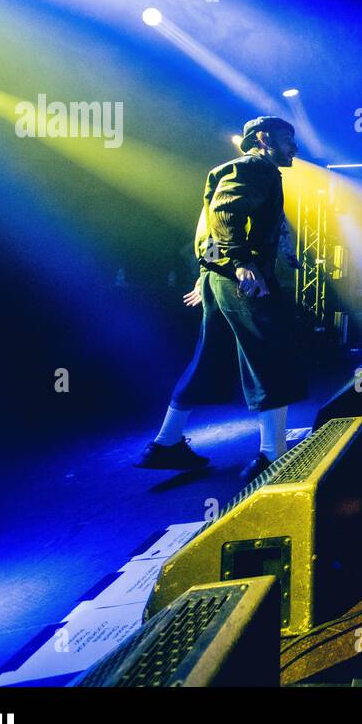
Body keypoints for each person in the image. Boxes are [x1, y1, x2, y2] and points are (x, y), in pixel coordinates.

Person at [139, 116, 302, 482]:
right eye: (287, 139)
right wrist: (242, 263)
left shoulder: (244, 172)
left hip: (220, 277)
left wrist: (207, 272)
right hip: (242, 280)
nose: (295, 147)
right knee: (269, 355)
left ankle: (166, 443)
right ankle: (272, 456)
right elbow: (225, 213)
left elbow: (209, 225)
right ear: (264, 138)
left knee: (209, 359)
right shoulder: (254, 168)